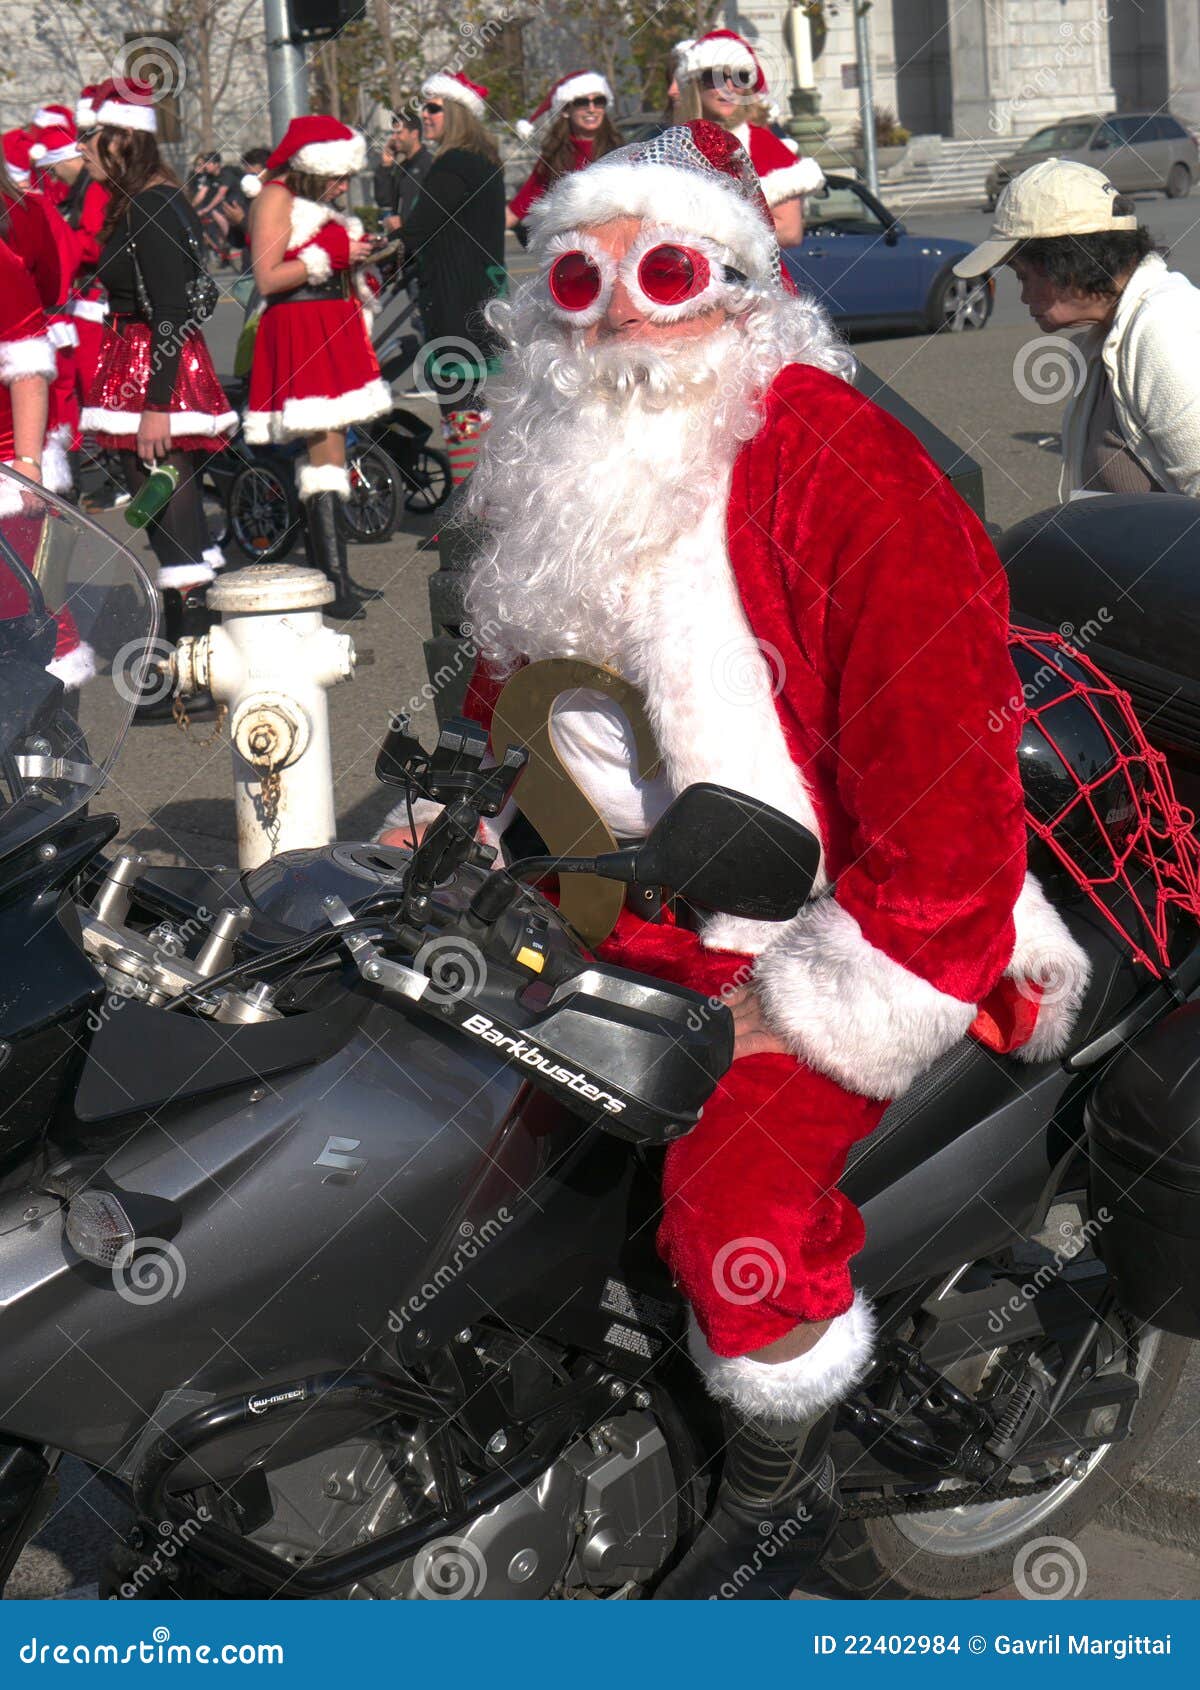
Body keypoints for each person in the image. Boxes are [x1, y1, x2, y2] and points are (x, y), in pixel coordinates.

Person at [387, 122, 1092, 1597]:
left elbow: (945, 784)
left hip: (831, 919)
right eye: (582, 278)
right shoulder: (553, 456)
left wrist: (835, 992)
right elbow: (525, 696)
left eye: (666, 270)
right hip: (616, 904)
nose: (626, 312)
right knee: (426, 1139)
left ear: (745, 292)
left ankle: (783, 1507)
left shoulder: (839, 468)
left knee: (738, 1215)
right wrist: (443, 817)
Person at [77, 76, 234, 700]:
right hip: (144, 362)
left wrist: (156, 407)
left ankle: (191, 675)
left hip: (153, 367)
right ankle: (197, 662)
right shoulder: (151, 198)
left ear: (122, 140)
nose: (84, 148)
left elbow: (171, 311)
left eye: (93, 135)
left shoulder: (150, 205)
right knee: (171, 513)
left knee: (171, 515)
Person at [954, 156, 1200, 502]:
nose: (1023, 295)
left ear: (1065, 262)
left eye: (1023, 275)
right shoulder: (1109, 332)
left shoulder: (1163, 328)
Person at [243, 114, 391, 618]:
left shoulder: (308, 199)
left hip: (330, 324)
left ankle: (334, 575)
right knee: (325, 445)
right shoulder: (276, 196)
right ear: (314, 165)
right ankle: (333, 581)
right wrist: (333, 257)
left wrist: (357, 257)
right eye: (340, 176)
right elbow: (267, 276)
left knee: (328, 448)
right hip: (301, 327)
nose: (345, 186)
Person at [403, 72, 506, 483]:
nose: (424, 116)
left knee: (459, 404)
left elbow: (418, 229)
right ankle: (487, 495)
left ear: (456, 112)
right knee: (483, 405)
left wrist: (392, 236)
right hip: (483, 297)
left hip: (454, 302)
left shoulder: (452, 164)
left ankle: (466, 501)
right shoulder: (486, 161)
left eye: (433, 108)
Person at [674, 29, 823, 248]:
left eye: (739, 77)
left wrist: (711, 233)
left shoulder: (763, 144)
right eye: (714, 77)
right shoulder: (677, 141)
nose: (729, 87)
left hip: (746, 279)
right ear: (695, 84)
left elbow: (790, 232)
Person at [507, 72, 619, 231]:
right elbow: (522, 203)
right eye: (582, 102)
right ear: (566, 110)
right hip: (567, 244)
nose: (592, 109)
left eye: (599, 101)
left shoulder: (619, 150)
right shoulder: (555, 155)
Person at [376, 112, 431, 234]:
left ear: (414, 134)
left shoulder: (430, 165)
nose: (394, 137)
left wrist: (404, 221)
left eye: (399, 132)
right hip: (403, 242)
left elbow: (434, 209)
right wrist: (385, 166)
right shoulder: (401, 168)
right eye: (393, 133)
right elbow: (385, 201)